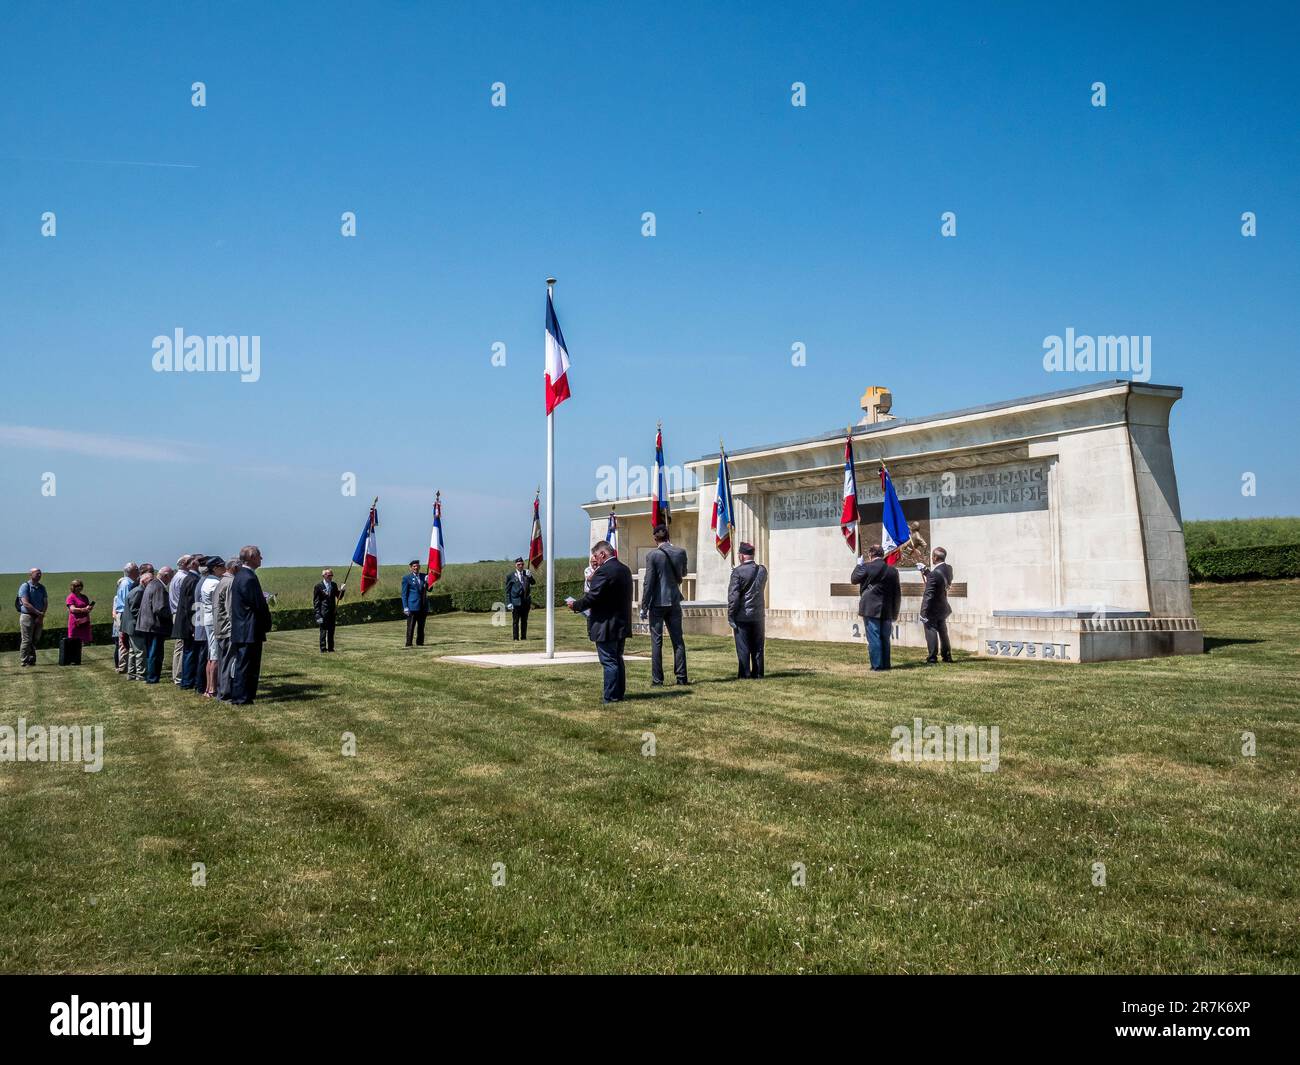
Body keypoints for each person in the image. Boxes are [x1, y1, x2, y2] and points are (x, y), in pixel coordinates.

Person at [567, 540, 633, 704]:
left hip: (606, 624)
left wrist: (575, 605)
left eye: (596, 556)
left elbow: (592, 597)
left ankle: (610, 697)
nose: (595, 559)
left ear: (603, 554)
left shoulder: (603, 572)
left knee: (609, 661)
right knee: (618, 659)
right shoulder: (625, 570)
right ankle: (619, 693)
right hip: (621, 623)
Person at [640, 524, 690, 686]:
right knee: (678, 641)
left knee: (657, 641)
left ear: (655, 538)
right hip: (674, 600)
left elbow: (648, 583)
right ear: (668, 536)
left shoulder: (653, 555)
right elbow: (683, 574)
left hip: (657, 602)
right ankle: (681, 677)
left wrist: (644, 605)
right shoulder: (680, 552)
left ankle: (657, 680)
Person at [229, 545, 272, 705]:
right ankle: (242, 696)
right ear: (252, 557)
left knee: (244, 663)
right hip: (248, 628)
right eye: (259, 556)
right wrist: (267, 620)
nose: (261, 559)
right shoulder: (248, 577)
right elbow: (258, 604)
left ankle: (244, 695)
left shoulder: (241, 575)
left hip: (243, 627)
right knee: (247, 665)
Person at [851, 544, 902, 671]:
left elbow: (854, 579)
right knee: (885, 637)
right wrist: (895, 611)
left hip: (870, 607)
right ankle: (886, 664)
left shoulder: (866, 567)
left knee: (874, 637)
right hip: (887, 608)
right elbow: (897, 593)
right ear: (882, 554)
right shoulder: (893, 570)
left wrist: (859, 565)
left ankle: (877, 666)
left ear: (870, 554)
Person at [727, 542, 768, 679]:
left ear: (742, 556)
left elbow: (734, 597)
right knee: (758, 647)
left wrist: (731, 615)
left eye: (739, 554)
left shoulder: (738, 572)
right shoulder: (762, 570)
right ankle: (758, 673)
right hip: (758, 615)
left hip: (742, 615)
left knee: (743, 647)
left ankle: (745, 674)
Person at [137, 566, 175, 684]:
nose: (170, 580)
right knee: (155, 653)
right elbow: (159, 608)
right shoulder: (158, 586)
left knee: (150, 652)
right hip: (154, 626)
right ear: (166, 576)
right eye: (171, 577)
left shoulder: (152, 584)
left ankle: (151, 675)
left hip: (147, 625)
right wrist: (171, 616)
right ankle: (153, 677)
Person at [918, 547, 954, 664]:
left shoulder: (934, 575)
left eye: (932, 556)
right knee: (943, 632)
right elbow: (938, 579)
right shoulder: (948, 569)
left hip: (932, 608)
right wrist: (925, 571)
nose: (931, 558)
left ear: (935, 557)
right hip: (943, 607)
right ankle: (947, 656)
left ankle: (932, 657)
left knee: (931, 630)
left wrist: (923, 612)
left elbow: (928, 595)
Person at [213, 556, 242, 700]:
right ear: (235, 568)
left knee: (223, 660)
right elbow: (231, 609)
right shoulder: (230, 582)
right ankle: (226, 692)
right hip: (227, 628)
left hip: (219, 627)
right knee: (229, 661)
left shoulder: (222, 581)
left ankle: (221, 691)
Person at [172, 556, 202, 689]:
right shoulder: (193, 579)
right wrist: (194, 625)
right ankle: (188, 680)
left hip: (185, 620)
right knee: (190, 651)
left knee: (187, 651)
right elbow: (192, 605)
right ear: (194, 564)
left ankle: (186, 679)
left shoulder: (188, 577)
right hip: (189, 622)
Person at [196, 558, 225, 696]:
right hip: (213, 619)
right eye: (221, 566)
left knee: (211, 654)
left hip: (207, 618)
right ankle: (212, 688)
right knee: (214, 655)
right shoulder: (214, 583)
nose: (224, 568)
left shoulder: (207, 581)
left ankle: (209, 687)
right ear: (215, 568)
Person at [123, 566, 152, 681]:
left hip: (130, 626)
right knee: (140, 651)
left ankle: (131, 673)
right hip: (135, 626)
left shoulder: (135, 590)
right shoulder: (139, 591)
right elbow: (135, 610)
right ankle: (141, 674)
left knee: (133, 651)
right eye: (150, 581)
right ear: (144, 581)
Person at [17, 568, 47, 667]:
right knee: (27, 639)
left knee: (35, 639)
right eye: (37, 573)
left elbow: (45, 602)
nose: (39, 575)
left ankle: (32, 659)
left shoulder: (42, 587)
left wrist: (41, 615)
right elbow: (25, 603)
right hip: (27, 616)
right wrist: (38, 612)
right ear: (30, 574)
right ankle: (24, 660)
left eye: (40, 574)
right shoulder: (25, 586)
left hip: (39, 616)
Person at [111, 562, 138, 674]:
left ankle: (124, 665)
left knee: (124, 641)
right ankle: (124, 666)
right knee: (125, 640)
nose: (138, 570)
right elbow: (129, 601)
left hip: (122, 613)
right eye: (136, 569)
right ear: (131, 571)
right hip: (125, 613)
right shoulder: (127, 584)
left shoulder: (125, 582)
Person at [168, 555, 191, 683]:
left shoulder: (176, 577)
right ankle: (179, 675)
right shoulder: (183, 578)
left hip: (175, 612)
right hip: (180, 613)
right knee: (182, 645)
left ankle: (177, 674)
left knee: (179, 645)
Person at [313, 569, 344, 653]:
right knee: (323, 630)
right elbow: (316, 601)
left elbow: (339, 597)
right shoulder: (318, 586)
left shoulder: (333, 585)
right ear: (324, 576)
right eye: (329, 575)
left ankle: (331, 648)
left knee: (331, 630)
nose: (331, 577)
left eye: (331, 575)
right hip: (322, 612)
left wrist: (342, 590)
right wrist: (317, 613)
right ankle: (323, 648)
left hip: (332, 612)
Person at [504, 558, 535, 640]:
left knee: (524, 621)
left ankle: (524, 637)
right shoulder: (510, 576)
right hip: (515, 602)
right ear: (515, 565)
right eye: (519, 564)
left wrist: (530, 576)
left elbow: (533, 583)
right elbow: (507, 591)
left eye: (522, 564)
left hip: (525, 602)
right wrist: (508, 602)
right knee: (515, 621)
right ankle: (515, 638)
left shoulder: (526, 573)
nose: (521, 566)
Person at [401, 560, 429, 647]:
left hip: (423, 605)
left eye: (417, 566)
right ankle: (409, 643)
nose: (416, 568)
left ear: (419, 567)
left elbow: (429, 589)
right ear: (411, 568)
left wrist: (429, 581)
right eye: (414, 566)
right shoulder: (407, 578)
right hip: (412, 606)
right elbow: (404, 594)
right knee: (411, 627)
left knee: (421, 626)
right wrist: (405, 607)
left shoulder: (424, 576)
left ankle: (420, 643)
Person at [66, 580, 94, 653]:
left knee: (86, 640)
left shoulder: (84, 597)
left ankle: (85, 655)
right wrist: (83, 609)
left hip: (85, 621)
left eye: (81, 586)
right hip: (75, 622)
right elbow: (72, 609)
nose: (79, 588)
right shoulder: (70, 597)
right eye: (77, 586)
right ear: (73, 587)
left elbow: (87, 609)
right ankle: (73, 656)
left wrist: (89, 608)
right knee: (74, 640)